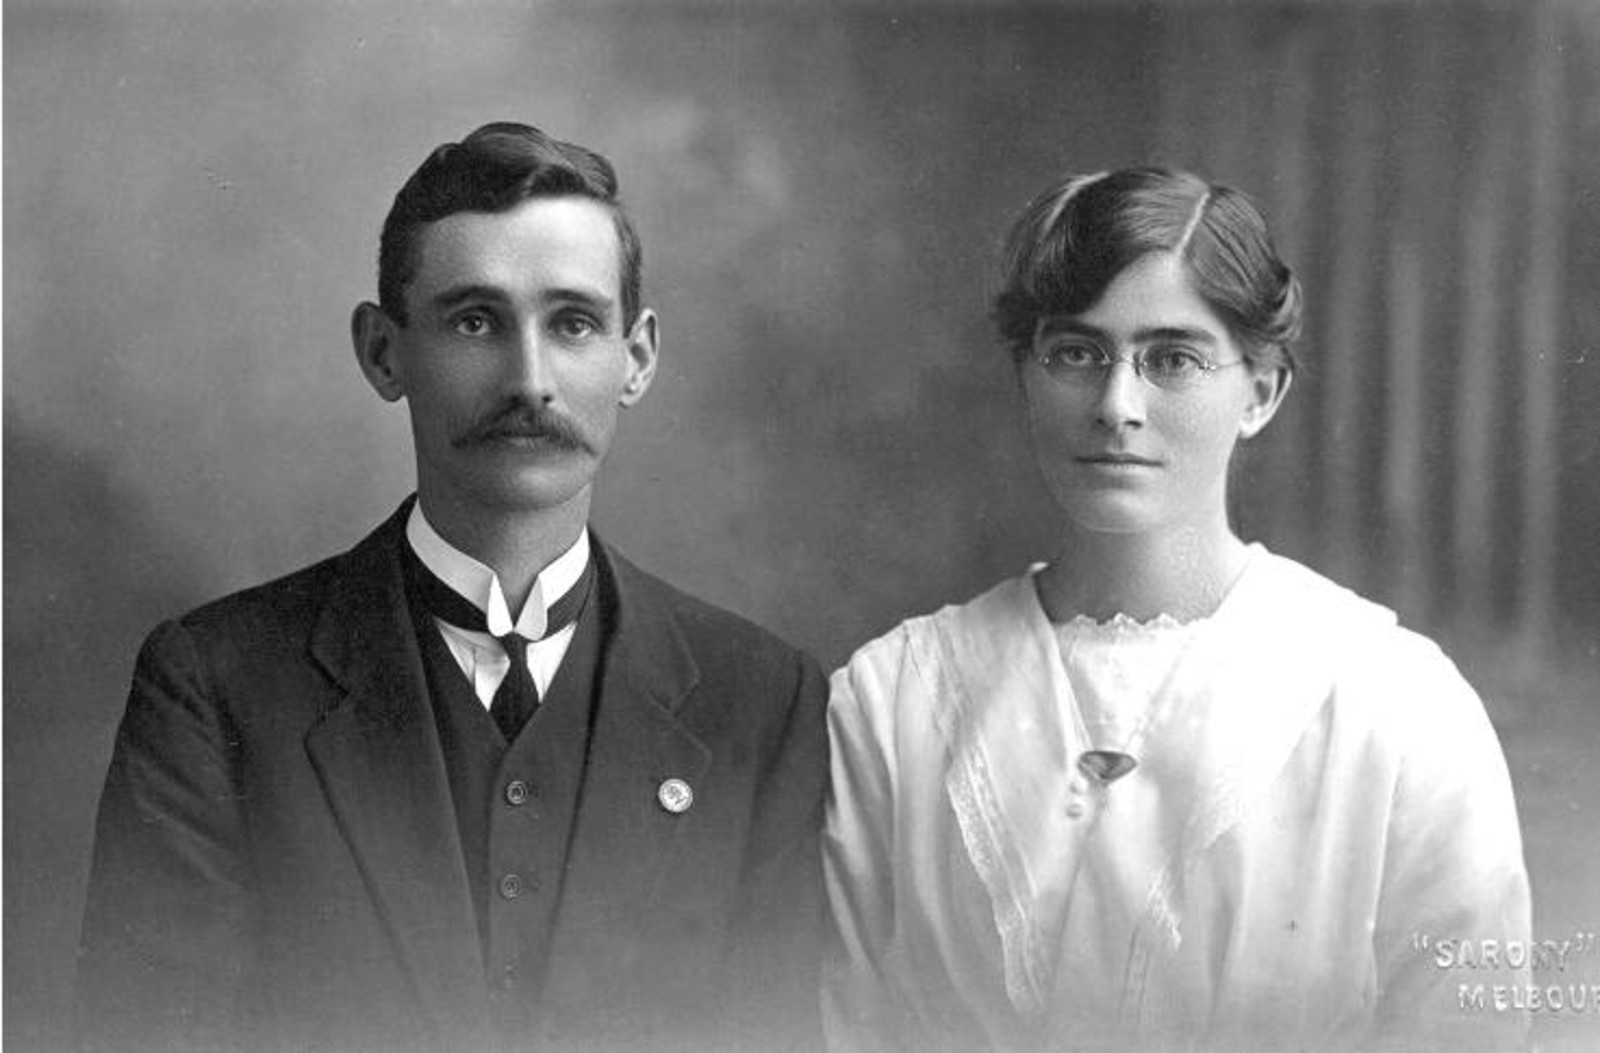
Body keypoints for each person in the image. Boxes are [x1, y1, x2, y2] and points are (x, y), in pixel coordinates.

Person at [75, 122, 828, 1053]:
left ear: (636, 358)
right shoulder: (216, 682)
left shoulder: (760, 700)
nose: (530, 379)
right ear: (384, 353)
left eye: (574, 323)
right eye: (476, 321)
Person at [823, 168, 1531, 1052]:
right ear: (1026, 376)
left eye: (1173, 360)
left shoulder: (1394, 702)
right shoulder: (893, 701)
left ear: (1261, 392)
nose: (1118, 406)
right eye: (1077, 353)